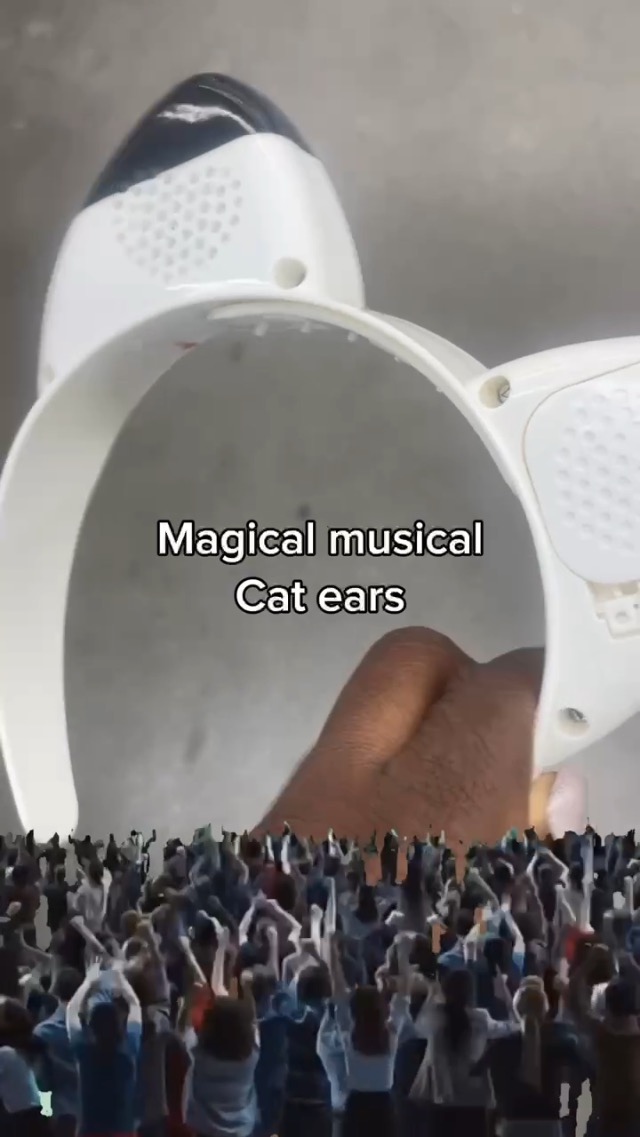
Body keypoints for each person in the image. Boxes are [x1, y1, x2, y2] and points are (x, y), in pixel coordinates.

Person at [66, 962, 142, 1137]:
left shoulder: (83, 1051)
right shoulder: (129, 1048)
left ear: (91, 1026)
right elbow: (134, 1004)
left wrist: (88, 982)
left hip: (89, 1130)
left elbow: (71, 1010)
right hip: (122, 1131)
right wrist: (120, 977)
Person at [184, 970, 259, 1137]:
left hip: (204, 1129)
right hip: (241, 1130)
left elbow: (185, 1028)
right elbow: (253, 1022)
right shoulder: (251, 1056)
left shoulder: (197, 1054)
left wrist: (190, 1001)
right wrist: (248, 990)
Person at [34, 968, 84, 1137]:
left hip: (61, 1115)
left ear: (57, 993)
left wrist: (46, 1113)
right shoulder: (96, 1029)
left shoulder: (43, 1033)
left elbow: (42, 1081)